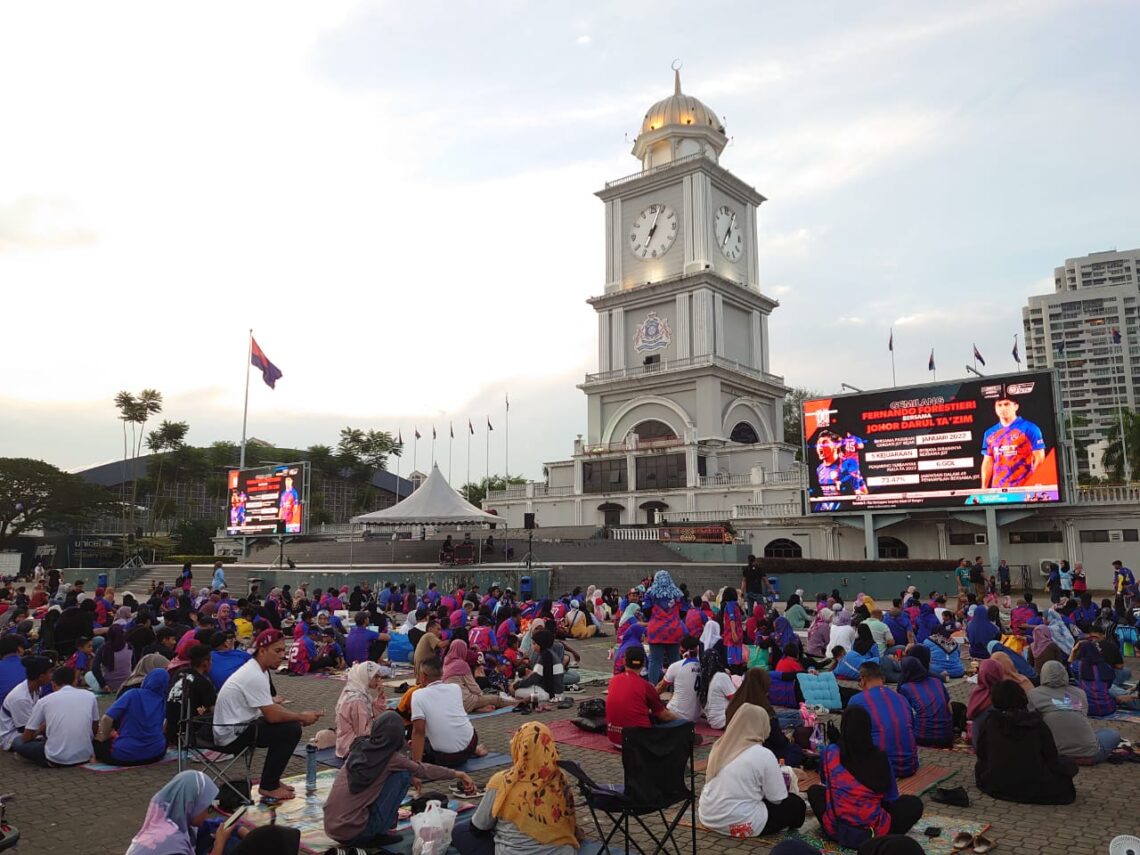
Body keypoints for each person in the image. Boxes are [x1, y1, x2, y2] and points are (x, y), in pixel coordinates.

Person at [324, 711, 475, 850]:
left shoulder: (358, 747)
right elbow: (423, 770)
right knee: (402, 775)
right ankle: (378, 833)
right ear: (397, 735)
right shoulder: (391, 758)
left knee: (402, 773)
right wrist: (458, 774)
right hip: (356, 833)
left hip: (332, 827)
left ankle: (372, 829)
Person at [212, 629, 323, 801]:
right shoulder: (253, 674)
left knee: (288, 725)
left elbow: (271, 709)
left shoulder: (259, 670)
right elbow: (272, 716)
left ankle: (272, 781)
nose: (282, 655)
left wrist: (297, 716)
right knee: (290, 730)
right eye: (277, 651)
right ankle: (269, 786)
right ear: (262, 651)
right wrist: (301, 716)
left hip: (238, 726)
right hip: (230, 735)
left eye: (283, 650)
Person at [806, 706, 924, 849]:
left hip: (837, 830)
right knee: (913, 804)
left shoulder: (830, 752)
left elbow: (826, 781)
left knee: (814, 791)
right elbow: (890, 797)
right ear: (868, 728)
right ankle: (882, 841)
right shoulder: (880, 758)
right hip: (874, 835)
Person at [457, 721, 581, 855]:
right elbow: (569, 824)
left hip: (513, 852)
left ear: (519, 748)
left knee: (460, 831)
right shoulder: (560, 778)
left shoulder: (503, 781)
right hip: (562, 852)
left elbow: (479, 827)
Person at [698, 703, 807, 837]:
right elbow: (777, 799)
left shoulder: (720, 747)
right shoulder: (763, 754)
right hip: (742, 823)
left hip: (708, 816)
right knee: (796, 805)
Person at [974, 680, 1077, 804]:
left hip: (998, 783)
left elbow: (982, 753)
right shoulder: (1036, 723)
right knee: (1067, 764)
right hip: (1034, 785)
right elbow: (1051, 757)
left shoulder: (991, 722)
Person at [1029, 660, 1121, 764]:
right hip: (1089, 752)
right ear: (1065, 673)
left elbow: (1032, 722)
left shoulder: (1033, 694)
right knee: (1112, 734)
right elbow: (1083, 716)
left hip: (1055, 752)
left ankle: (1065, 758)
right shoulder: (1080, 692)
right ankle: (1084, 758)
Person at [15, 665, 100, 766]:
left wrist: (42, 728)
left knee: (17, 741)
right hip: (85, 755)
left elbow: (26, 737)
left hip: (55, 758)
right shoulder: (90, 696)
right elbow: (95, 727)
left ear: (53, 684)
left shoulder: (44, 701)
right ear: (75, 681)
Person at [410, 659, 487, 766]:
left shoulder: (417, 695)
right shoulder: (455, 688)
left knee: (413, 739)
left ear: (423, 677)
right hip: (471, 745)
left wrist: (416, 767)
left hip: (446, 757)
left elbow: (419, 732)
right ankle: (474, 750)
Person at [848, 663, 918, 778]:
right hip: (909, 765)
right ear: (883, 678)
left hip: (879, 770)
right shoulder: (901, 698)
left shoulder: (857, 700)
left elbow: (850, 737)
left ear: (863, 679)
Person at [605, 645, 679, 746]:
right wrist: (680, 719)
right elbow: (664, 716)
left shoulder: (613, 681)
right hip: (638, 741)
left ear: (624, 661)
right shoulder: (646, 686)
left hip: (614, 738)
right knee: (680, 724)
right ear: (643, 663)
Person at [94, 668, 169, 765]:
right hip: (156, 753)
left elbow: (107, 718)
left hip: (125, 754)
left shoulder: (133, 694)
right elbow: (164, 728)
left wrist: (104, 737)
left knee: (96, 744)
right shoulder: (162, 701)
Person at [979, 391, 1045, 489]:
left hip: (1023, 488)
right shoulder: (989, 433)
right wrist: (983, 488)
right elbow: (988, 462)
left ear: (1016, 406)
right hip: (998, 490)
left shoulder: (1030, 428)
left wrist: (1031, 482)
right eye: (999, 405)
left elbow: (1039, 458)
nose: (1002, 408)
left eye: (1006, 404)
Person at [896, 656, 954, 747]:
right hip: (947, 736)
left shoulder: (906, 688)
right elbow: (950, 710)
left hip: (923, 736)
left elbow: (903, 716)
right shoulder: (937, 681)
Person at [334, 661, 387, 758]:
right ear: (366, 677)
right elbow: (362, 734)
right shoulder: (357, 700)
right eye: (376, 677)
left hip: (349, 742)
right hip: (351, 746)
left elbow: (378, 716)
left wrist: (380, 696)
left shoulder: (358, 692)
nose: (379, 680)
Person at [444, 640, 513, 713]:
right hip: (465, 702)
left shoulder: (445, 663)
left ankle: (478, 708)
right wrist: (482, 695)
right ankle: (517, 703)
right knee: (495, 699)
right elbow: (472, 686)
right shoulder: (462, 664)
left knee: (481, 699)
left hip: (452, 705)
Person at [0, 655, 53, 751]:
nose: (52, 676)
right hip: (14, 736)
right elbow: (25, 731)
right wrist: (46, 724)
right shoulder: (20, 698)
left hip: (32, 729)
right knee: (45, 748)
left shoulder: (37, 688)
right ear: (41, 676)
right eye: (50, 672)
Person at [166, 644, 216, 742]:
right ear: (205, 662)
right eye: (211, 660)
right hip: (189, 733)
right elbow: (213, 709)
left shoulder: (179, 674)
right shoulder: (203, 682)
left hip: (171, 729)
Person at [643, 570, 685, 684]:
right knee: (675, 660)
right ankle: (677, 687)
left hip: (656, 630)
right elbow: (683, 611)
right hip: (673, 630)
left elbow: (645, 610)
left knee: (655, 661)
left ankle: (652, 687)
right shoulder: (678, 593)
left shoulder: (650, 592)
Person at [657, 635, 702, 722]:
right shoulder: (704, 667)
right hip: (695, 716)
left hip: (676, 713)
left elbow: (660, 688)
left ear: (682, 650)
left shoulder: (676, 666)